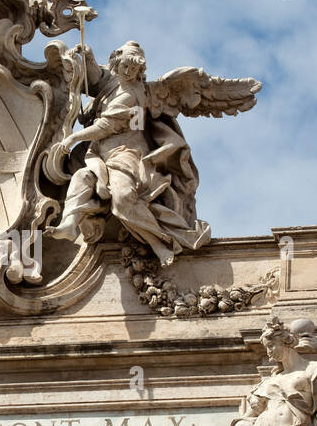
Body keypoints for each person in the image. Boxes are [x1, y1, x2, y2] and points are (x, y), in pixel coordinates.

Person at [49, 41, 209, 264]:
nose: (127, 72)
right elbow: (95, 79)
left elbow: (108, 125)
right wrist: (88, 57)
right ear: (116, 62)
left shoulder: (133, 94)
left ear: (139, 71)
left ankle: (160, 242)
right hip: (99, 153)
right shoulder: (114, 80)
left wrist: (75, 136)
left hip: (127, 155)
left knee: (123, 200)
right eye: (124, 66)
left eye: (133, 69)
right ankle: (69, 222)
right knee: (82, 177)